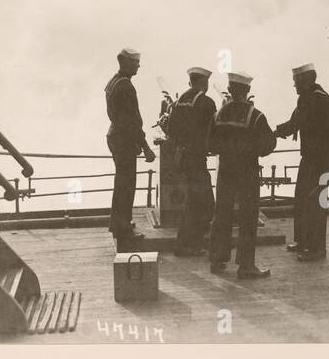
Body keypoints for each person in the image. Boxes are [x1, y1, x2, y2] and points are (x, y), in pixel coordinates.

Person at [275, 64, 329, 261]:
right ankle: (303, 241)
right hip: (310, 159)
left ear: (306, 81)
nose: (294, 86)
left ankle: (316, 249)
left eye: (297, 82)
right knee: (301, 199)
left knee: (315, 203)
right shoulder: (306, 99)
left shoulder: (319, 101)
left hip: (322, 161)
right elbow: (295, 122)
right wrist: (277, 132)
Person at [209, 72, 276, 278]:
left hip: (226, 172)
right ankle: (246, 266)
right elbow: (268, 145)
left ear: (229, 90)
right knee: (248, 217)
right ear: (247, 91)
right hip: (246, 173)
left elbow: (210, 144)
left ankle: (218, 259)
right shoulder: (255, 116)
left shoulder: (219, 115)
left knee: (222, 214)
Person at [105, 48, 157, 240]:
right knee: (126, 185)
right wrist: (146, 148)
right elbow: (133, 122)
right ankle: (123, 230)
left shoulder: (113, 81)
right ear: (126, 62)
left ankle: (118, 224)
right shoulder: (126, 87)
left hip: (115, 136)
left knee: (121, 183)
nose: (138, 65)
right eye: (135, 62)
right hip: (124, 139)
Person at [168, 66, 218, 255]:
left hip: (182, 157)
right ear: (203, 83)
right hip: (196, 159)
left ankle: (192, 243)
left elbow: (171, 129)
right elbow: (214, 130)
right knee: (201, 201)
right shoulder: (206, 102)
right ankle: (186, 245)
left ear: (190, 82)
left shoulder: (180, 101)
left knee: (198, 199)